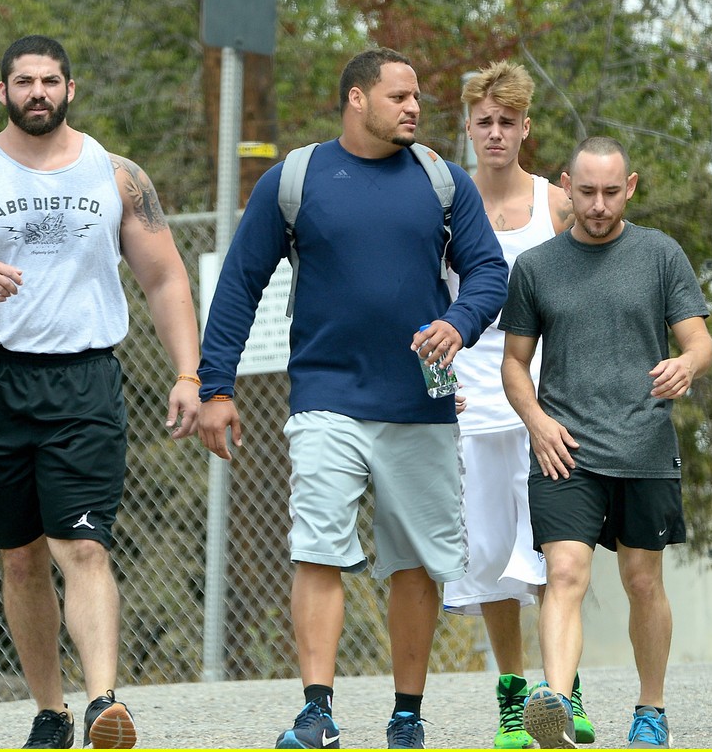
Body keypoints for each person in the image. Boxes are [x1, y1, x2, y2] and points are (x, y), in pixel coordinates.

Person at [195, 47, 508, 750]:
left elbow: (489, 271)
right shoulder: (299, 178)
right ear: (357, 100)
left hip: (420, 404)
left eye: (417, 96)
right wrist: (216, 385)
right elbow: (240, 285)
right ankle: (317, 710)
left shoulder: (441, 180)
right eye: (399, 95)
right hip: (325, 398)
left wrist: (458, 323)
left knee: (414, 562)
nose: (415, 107)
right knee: (318, 551)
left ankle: (406, 713)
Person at [0, 35, 202, 749]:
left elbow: (164, 277)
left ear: (72, 90)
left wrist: (189, 373)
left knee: (83, 545)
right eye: (24, 81)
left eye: (51, 80)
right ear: (2, 92)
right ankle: (50, 711)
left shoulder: (117, 175)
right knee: (21, 553)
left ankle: (102, 703)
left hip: (85, 379)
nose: (39, 92)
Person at [500, 137, 712, 749]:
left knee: (642, 580)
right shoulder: (537, 266)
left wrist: (687, 366)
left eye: (611, 193)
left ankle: (651, 709)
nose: (597, 205)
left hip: (643, 445)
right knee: (564, 572)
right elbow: (515, 364)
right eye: (586, 192)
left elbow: (699, 342)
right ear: (565, 184)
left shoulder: (659, 254)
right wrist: (538, 423)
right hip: (564, 448)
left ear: (632, 187)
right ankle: (558, 708)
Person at [442, 60, 587, 750]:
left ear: (526, 127)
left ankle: (564, 688)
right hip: (472, 406)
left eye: (507, 121)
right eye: (483, 121)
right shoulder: (444, 202)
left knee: (556, 553)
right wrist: (439, 390)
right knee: (492, 558)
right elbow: (423, 304)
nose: (495, 132)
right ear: (467, 127)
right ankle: (511, 697)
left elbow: (590, 292)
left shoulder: (554, 204)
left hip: (542, 406)